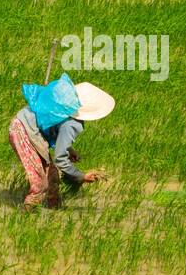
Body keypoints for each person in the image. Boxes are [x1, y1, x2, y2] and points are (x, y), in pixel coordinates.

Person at [9, 81, 113, 210]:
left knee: (52, 176)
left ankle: (54, 209)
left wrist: (69, 149)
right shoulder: (72, 124)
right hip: (22, 130)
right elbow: (60, 159)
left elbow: (52, 128)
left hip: (26, 126)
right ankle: (26, 215)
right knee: (41, 183)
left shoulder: (62, 108)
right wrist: (80, 176)